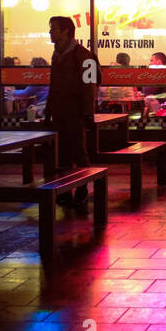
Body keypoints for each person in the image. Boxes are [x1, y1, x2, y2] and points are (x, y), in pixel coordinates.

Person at [46, 16, 96, 208]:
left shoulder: (83, 54)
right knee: (63, 153)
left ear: (66, 31)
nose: (50, 32)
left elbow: (89, 85)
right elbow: (54, 84)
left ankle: (82, 190)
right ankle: (66, 190)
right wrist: (49, 110)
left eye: (54, 29)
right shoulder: (56, 54)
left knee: (78, 151)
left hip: (75, 113)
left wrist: (88, 112)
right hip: (60, 112)